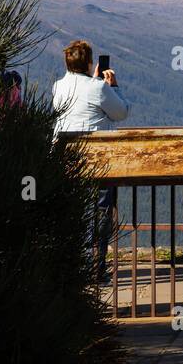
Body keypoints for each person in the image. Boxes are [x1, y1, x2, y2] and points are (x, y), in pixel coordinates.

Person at [52, 40, 131, 279]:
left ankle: (72, 263)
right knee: (101, 211)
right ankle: (97, 266)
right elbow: (121, 112)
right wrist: (112, 86)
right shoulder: (98, 88)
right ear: (88, 62)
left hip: (66, 160)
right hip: (97, 161)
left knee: (74, 211)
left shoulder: (58, 86)